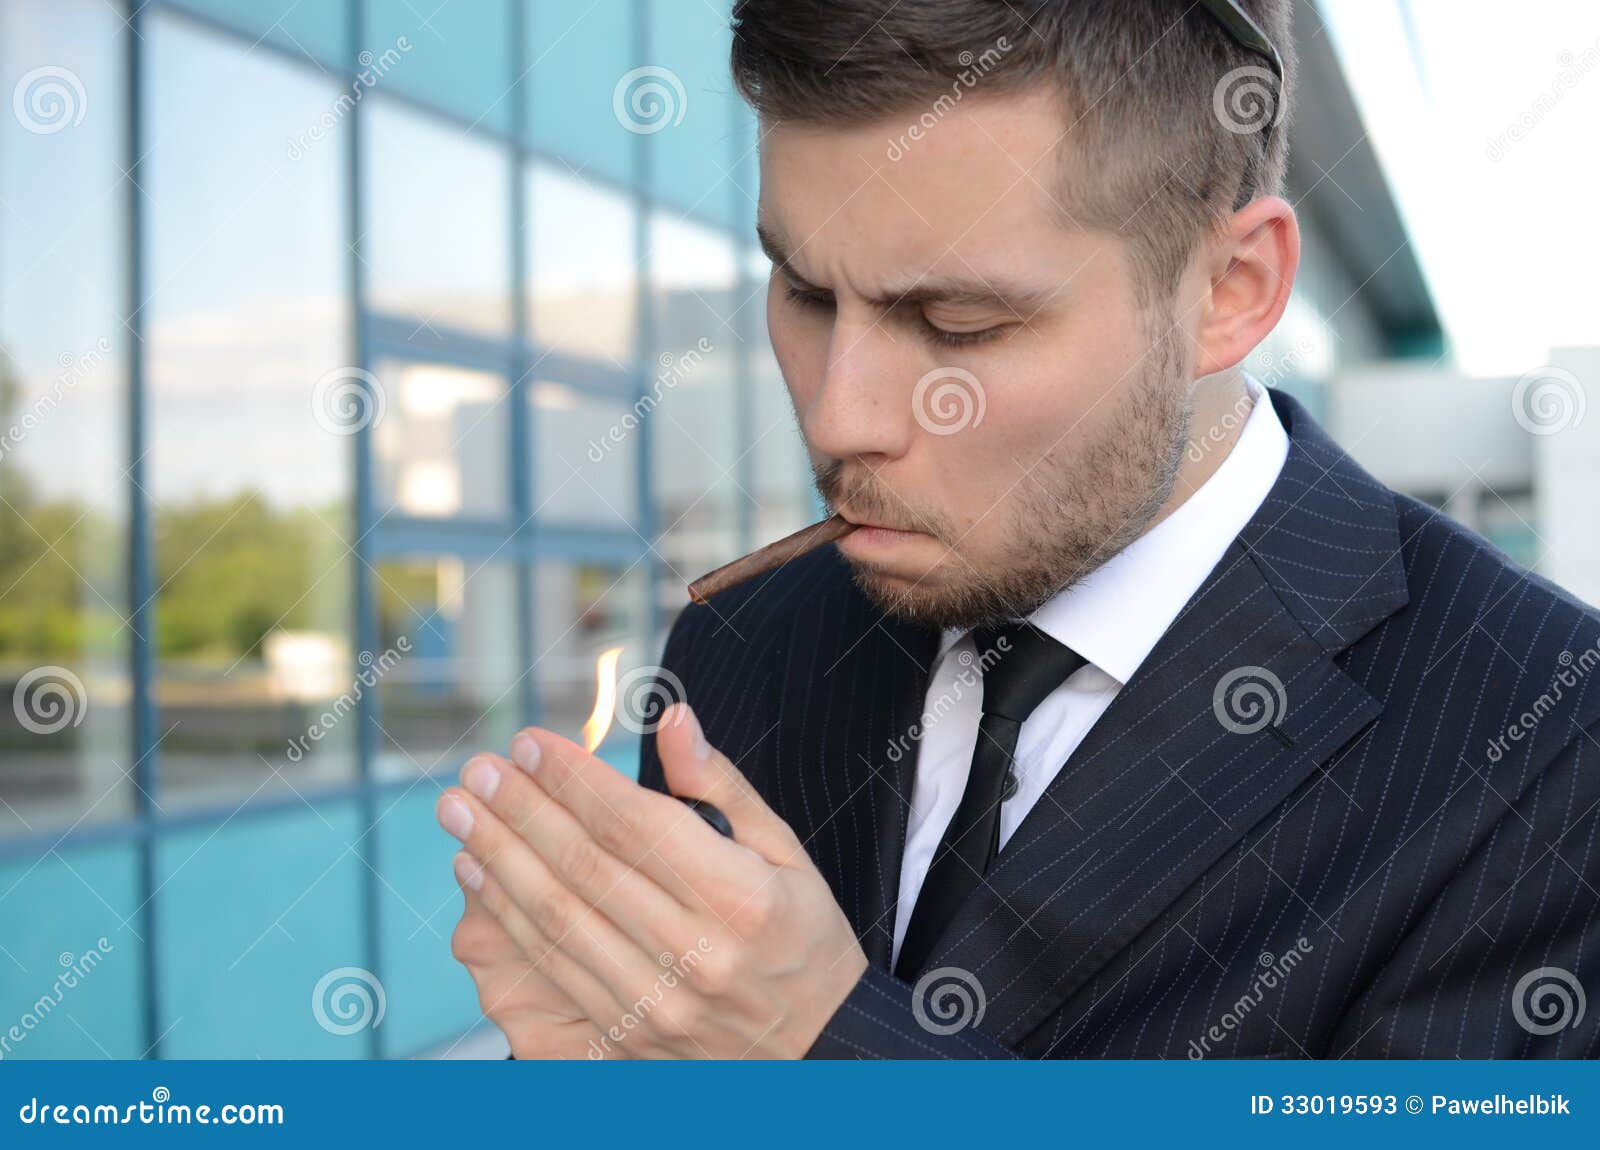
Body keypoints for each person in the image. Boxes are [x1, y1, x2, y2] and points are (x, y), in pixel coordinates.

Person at [436, 0, 1600, 1058]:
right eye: (802, 290)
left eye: (956, 322)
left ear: (1231, 289)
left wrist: (826, 1053)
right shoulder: (738, 652)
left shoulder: (1547, 745)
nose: (843, 417)